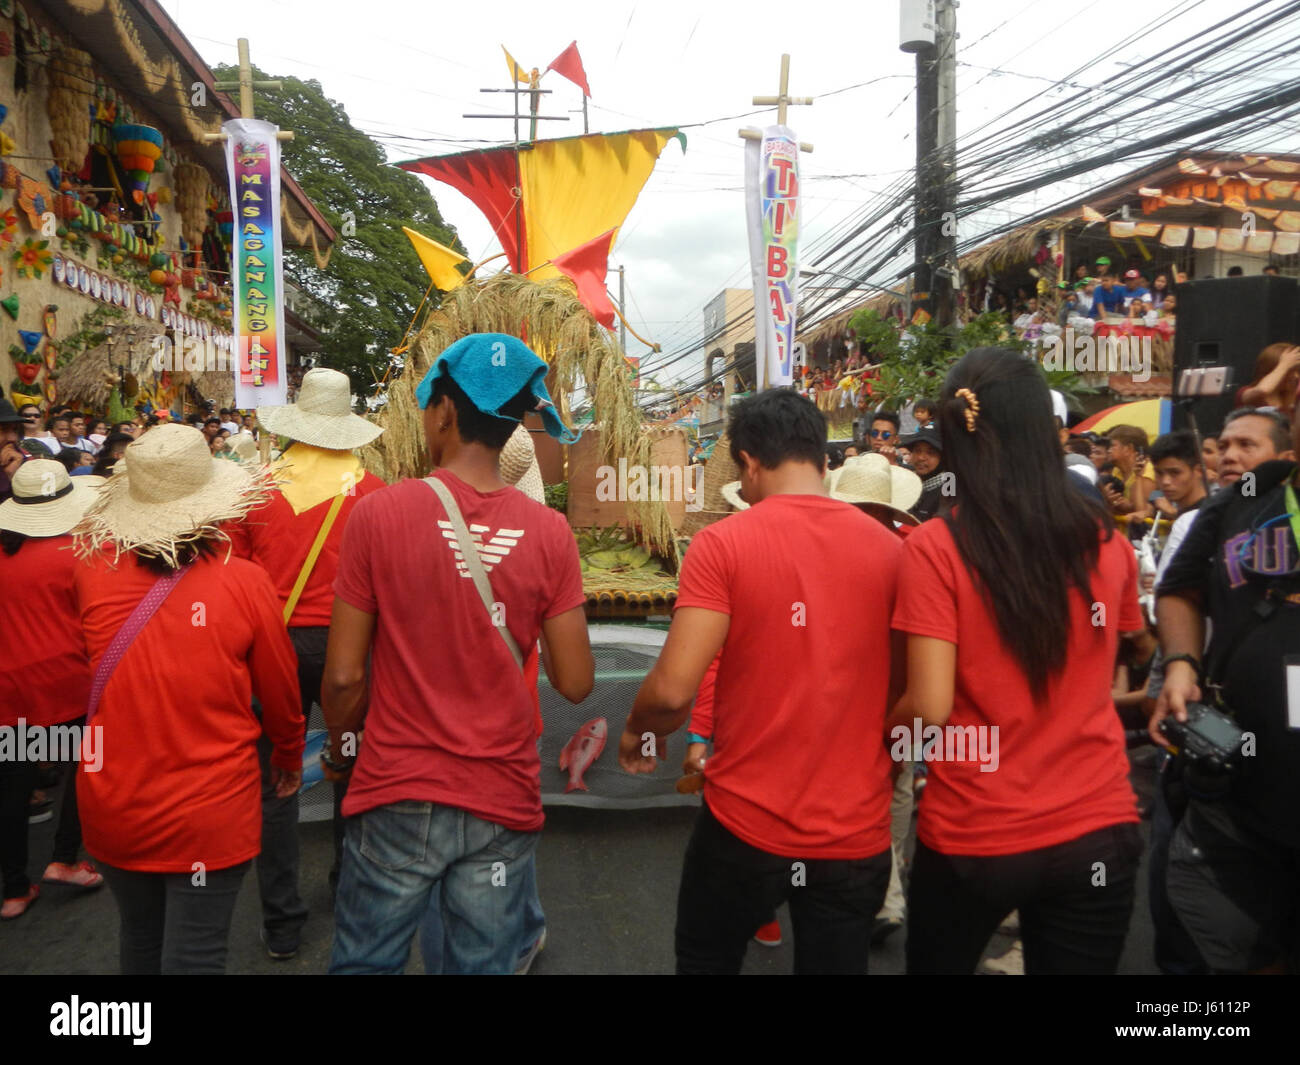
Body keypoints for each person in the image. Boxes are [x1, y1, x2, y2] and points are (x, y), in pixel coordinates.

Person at [325, 333, 593, 975]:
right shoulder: (550, 531)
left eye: (426, 406)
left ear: (444, 412)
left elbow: (343, 675)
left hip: (396, 788)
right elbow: (578, 682)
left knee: (367, 962)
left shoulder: (377, 514)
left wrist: (341, 748)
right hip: (501, 795)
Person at [621, 388, 901, 975]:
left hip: (746, 827)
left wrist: (640, 730)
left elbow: (673, 690)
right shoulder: (896, 551)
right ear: (824, 459)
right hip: (856, 833)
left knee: (707, 958)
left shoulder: (723, 544)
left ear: (748, 462)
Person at [892, 347, 1143, 975]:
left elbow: (927, 707)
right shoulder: (1108, 545)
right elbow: (1126, 649)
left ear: (953, 436)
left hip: (978, 833)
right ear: (1046, 429)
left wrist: (880, 742)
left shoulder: (937, 548)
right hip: (1099, 826)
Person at [71, 424, 304, 973]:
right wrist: (289, 759)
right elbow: (280, 691)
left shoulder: (89, 570)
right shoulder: (245, 583)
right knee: (195, 954)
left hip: (114, 802)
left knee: (141, 942)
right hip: (211, 806)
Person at [227, 367, 387, 961]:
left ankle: (283, 921)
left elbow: (236, 585)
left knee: (277, 780)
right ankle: (349, 888)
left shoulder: (253, 491)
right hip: (351, 651)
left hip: (273, 652)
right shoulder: (374, 493)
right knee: (352, 767)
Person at [1152, 403, 1299, 974]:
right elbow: (1180, 587)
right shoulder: (1247, 496)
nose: (1231, 455)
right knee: (1221, 953)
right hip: (1240, 786)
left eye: (1247, 443)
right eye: (1225, 444)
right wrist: (1183, 664)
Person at [0, 461, 103, 919]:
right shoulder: (80, 553)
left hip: (12, 689)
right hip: (71, 684)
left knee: (13, 787)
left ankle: (14, 890)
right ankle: (63, 859)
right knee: (85, 770)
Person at [1103, 424, 1155, 525]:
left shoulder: (1148, 470)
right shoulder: (1116, 471)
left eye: (1113, 446)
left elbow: (1142, 512)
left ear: (1128, 449)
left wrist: (1129, 506)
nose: (1108, 450)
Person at [1235, 342, 1299, 417]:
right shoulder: (1244, 392)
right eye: (1289, 371)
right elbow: (1261, 391)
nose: (1296, 376)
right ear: (1271, 370)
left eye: (1298, 370)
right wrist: (1285, 364)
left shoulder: (1293, 399)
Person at [898, 426, 948, 521]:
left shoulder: (950, 485)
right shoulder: (907, 482)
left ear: (942, 457)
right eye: (917, 451)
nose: (921, 457)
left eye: (931, 453)